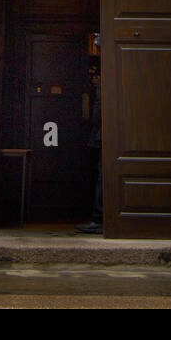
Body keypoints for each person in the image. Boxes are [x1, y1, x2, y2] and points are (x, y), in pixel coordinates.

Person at [76, 63, 103, 234]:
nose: (93, 79)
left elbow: (97, 115)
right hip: (102, 137)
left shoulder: (103, 86)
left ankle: (99, 219)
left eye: (95, 75)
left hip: (102, 137)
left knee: (102, 176)